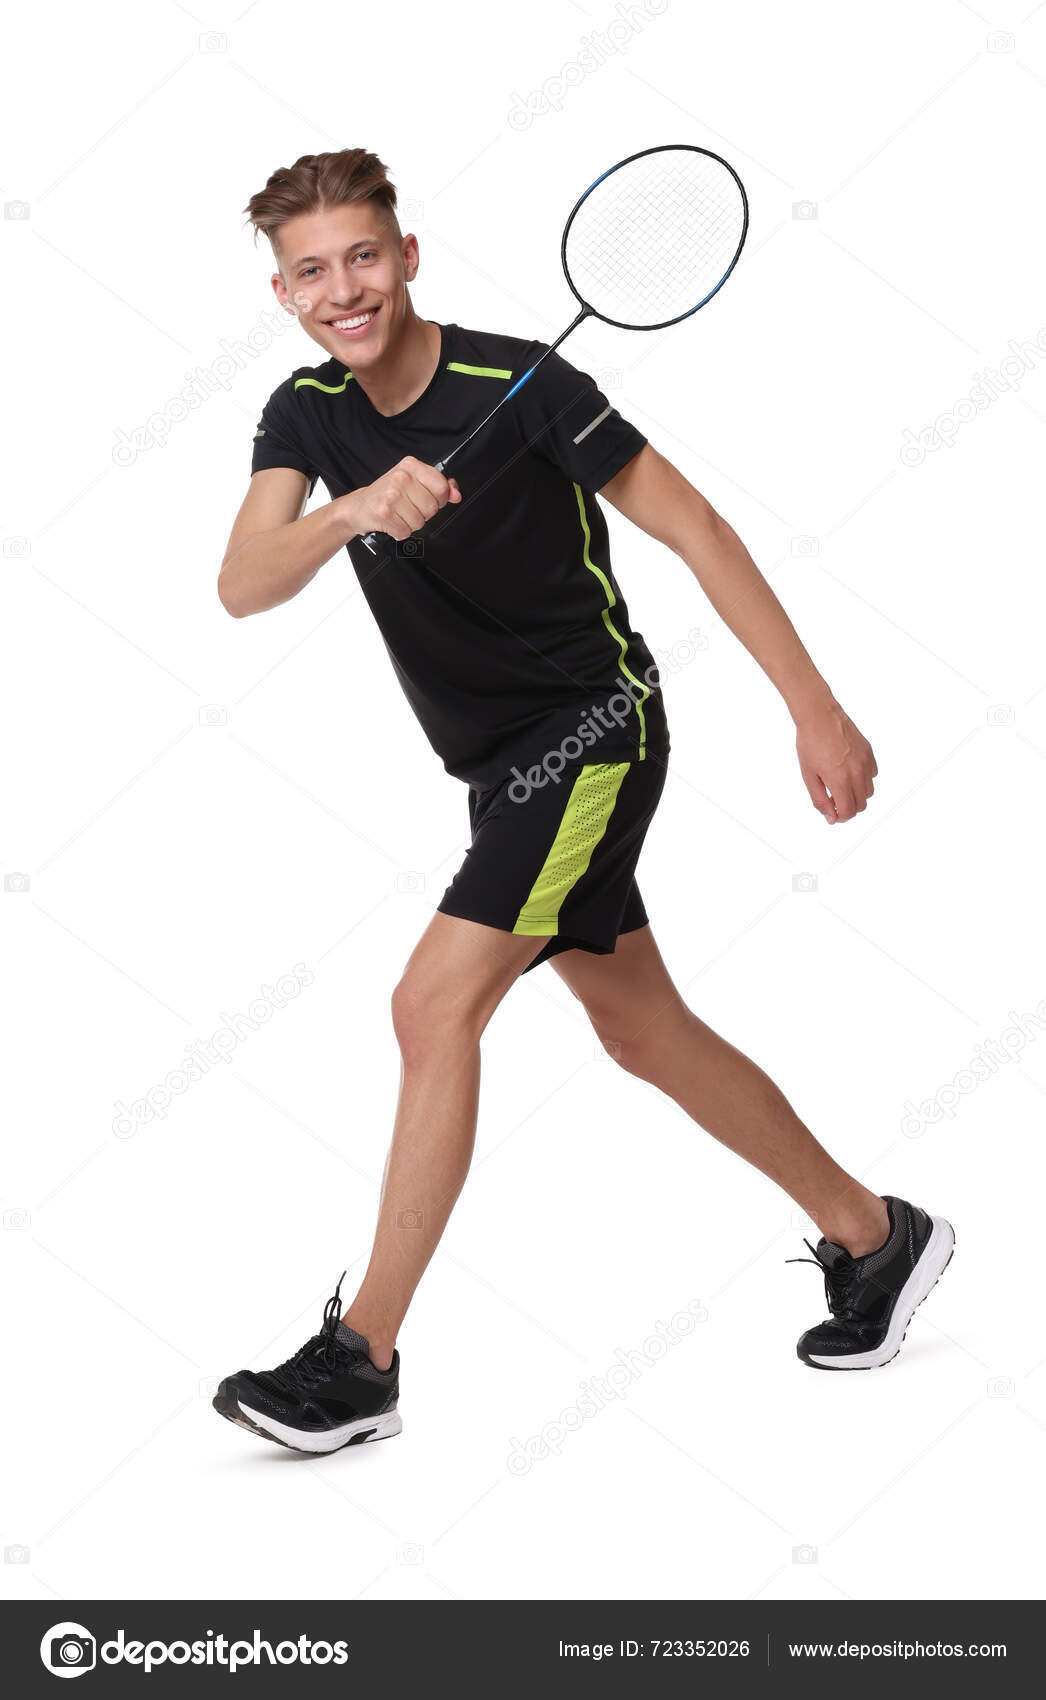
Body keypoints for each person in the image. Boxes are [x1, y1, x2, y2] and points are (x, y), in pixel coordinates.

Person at [212, 148, 954, 1456]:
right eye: (313, 270)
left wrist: (812, 706)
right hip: (496, 769)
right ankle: (874, 1236)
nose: (346, 289)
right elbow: (242, 580)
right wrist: (354, 514)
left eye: (365, 255)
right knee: (643, 1032)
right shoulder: (306, 413)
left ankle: (362, 1358)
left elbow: (697, 529)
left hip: (593, 731)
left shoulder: (526, 383)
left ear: (409, 255)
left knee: (429, 1002)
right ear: (283, 292)